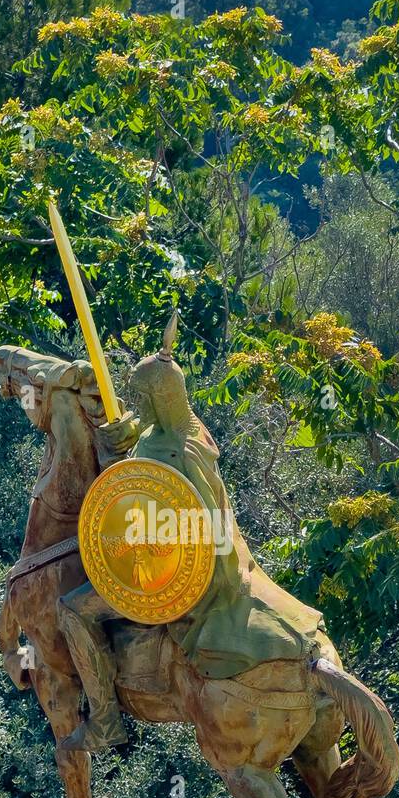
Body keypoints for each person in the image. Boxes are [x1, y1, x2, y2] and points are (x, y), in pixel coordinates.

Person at [57, 316, 324, 752]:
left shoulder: (175, 453)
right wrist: (122, 439)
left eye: (141, 398)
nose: (137, 406)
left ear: (159, 400)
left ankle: (104, 720)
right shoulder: (191, 431)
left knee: (74, 609)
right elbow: (147, 453)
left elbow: (161, 515)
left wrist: (117, 467)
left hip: (183, 574)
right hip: (225, 560)